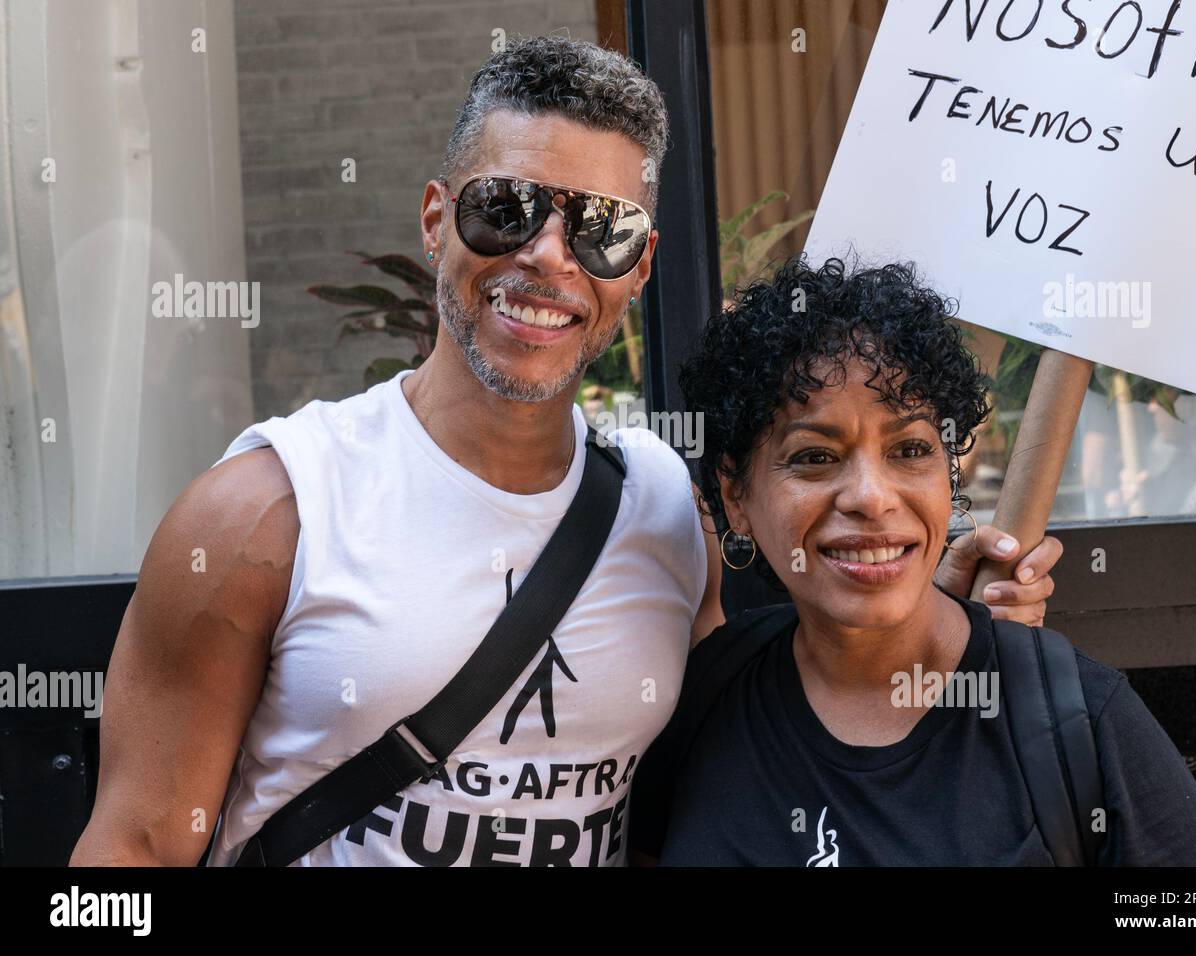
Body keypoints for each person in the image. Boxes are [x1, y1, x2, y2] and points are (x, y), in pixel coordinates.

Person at [70, 38, 1058, 868]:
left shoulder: (665, 505)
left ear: (638, 269)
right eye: (505, 207)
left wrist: (937, 615)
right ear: (433, 217)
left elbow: (751, 727)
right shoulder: (266, 510)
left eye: (601, 230)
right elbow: (127, 859)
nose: (548, 256)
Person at [629, 256, 1196, 866]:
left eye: (910, 449)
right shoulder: (708, 692)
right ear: (737, 497)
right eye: (813, 457)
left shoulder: (1077, 722)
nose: (871, 496)